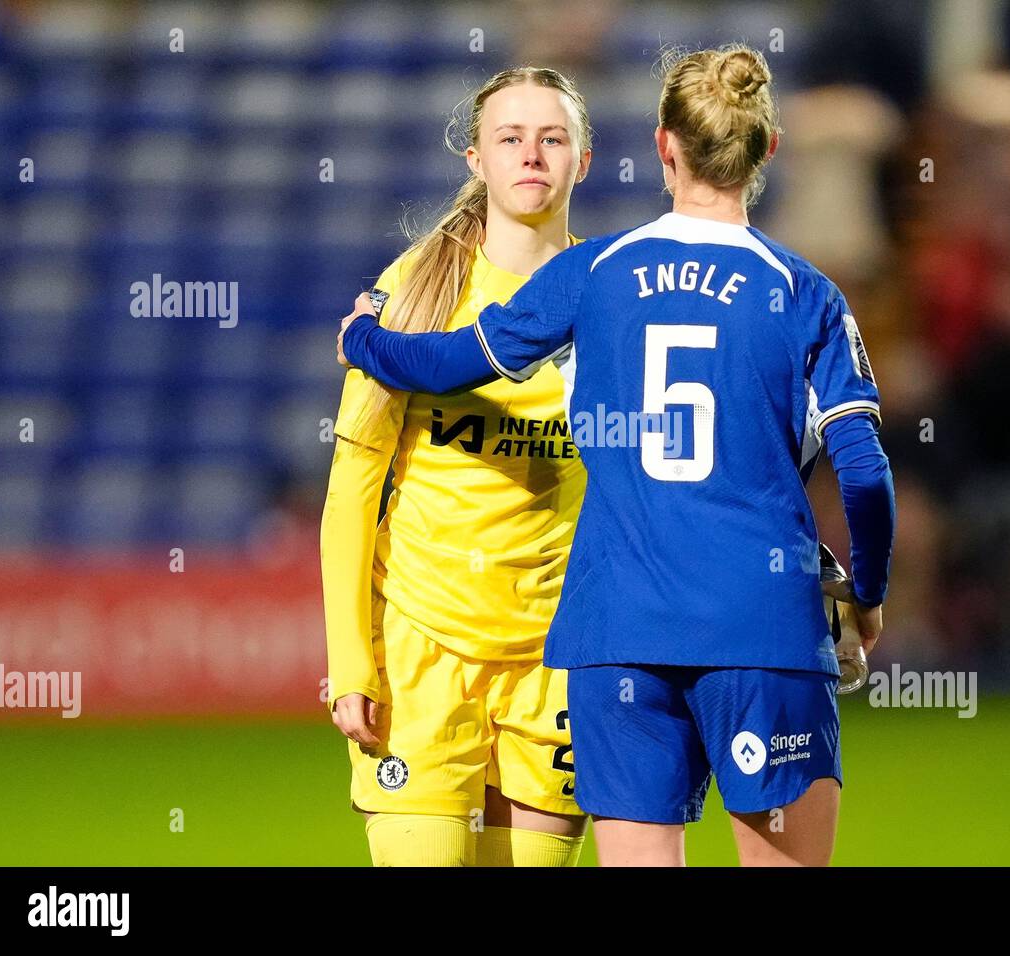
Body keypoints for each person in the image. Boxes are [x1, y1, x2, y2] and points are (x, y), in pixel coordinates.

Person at [337, 44, 895, 866]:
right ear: (767, 150)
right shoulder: (803, 291)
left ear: (663, 145)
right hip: (762, 625)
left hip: (617, 633)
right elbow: (866, 470)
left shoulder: (595, 272)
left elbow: (448, 363)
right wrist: (868, 592)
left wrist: (365, 338)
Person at [320, 67, 594, 867]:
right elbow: (351, 493)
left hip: (555, 663)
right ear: (476, 158)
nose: (531, 155)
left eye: (552, 138)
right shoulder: (412, 295)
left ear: (583, 157)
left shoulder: (608, 299)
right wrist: (349, 660)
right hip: (420, 652)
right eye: (510, 138)